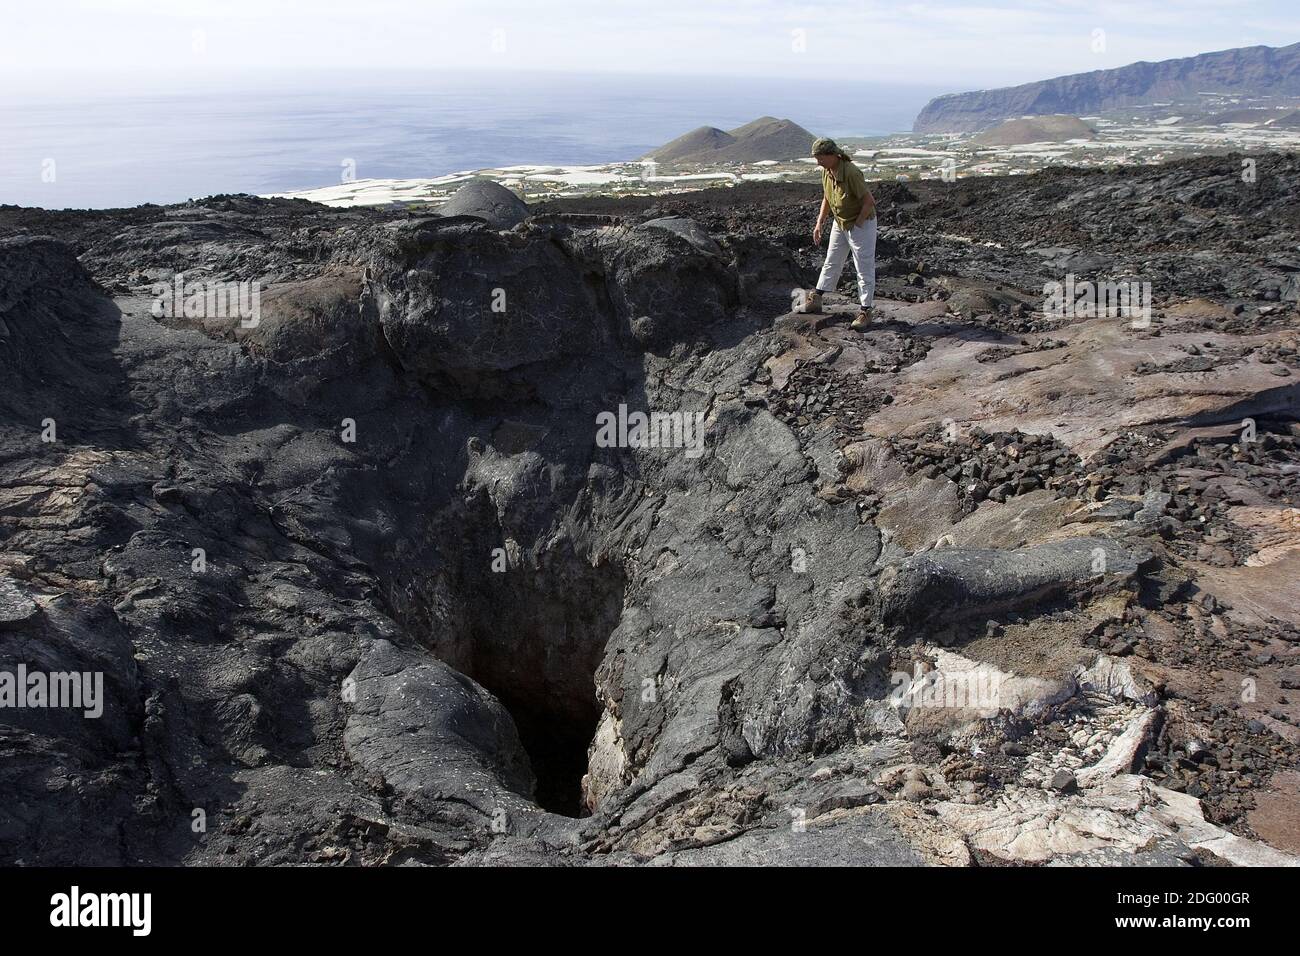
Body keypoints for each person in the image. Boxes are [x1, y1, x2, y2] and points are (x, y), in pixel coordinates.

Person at [804, 137, 877, 330]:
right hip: (840, 221)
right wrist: (820, 222)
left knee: (863, 266)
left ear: (832, 155)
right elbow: (827, 198)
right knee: (832, 259)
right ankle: (817, 298)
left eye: (820, 157)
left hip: (860, 223)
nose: (817, 162)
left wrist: (858, 224)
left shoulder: (851, 172)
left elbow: (869, 201)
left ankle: (865, 311)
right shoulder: (827, 172)